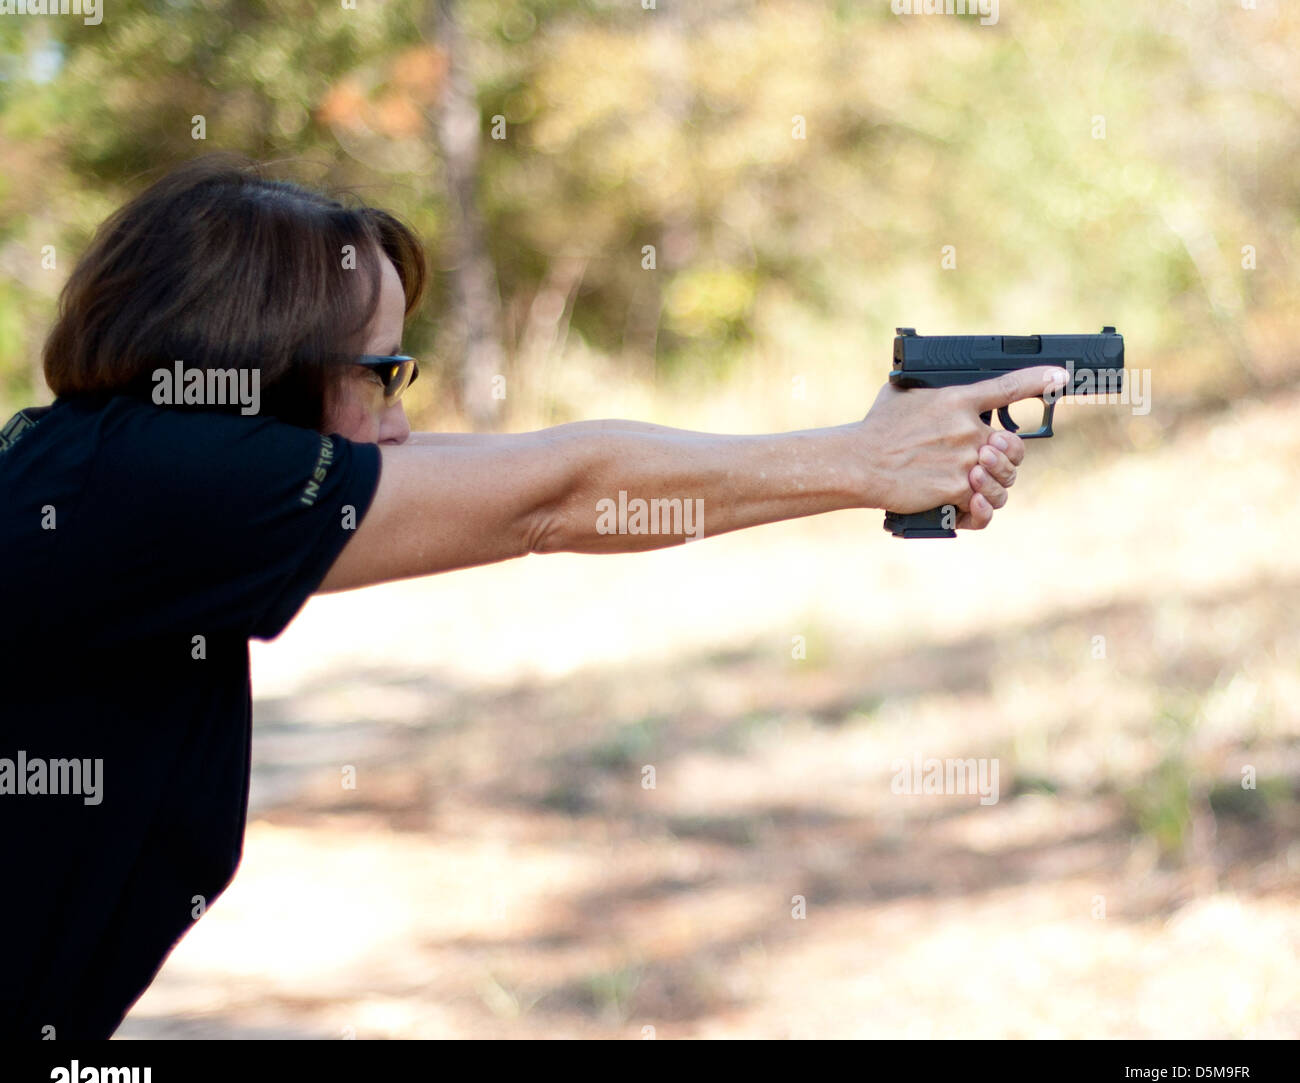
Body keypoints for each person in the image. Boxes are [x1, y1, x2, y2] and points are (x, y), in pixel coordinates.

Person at [0, 154, 1063, 1038]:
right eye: (384, 372)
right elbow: (556, 494)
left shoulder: (99, 469)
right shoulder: (156, 481)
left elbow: (514, 475)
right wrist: (863, 461)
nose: (402, 421)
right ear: (260, 360)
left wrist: (863, 453)